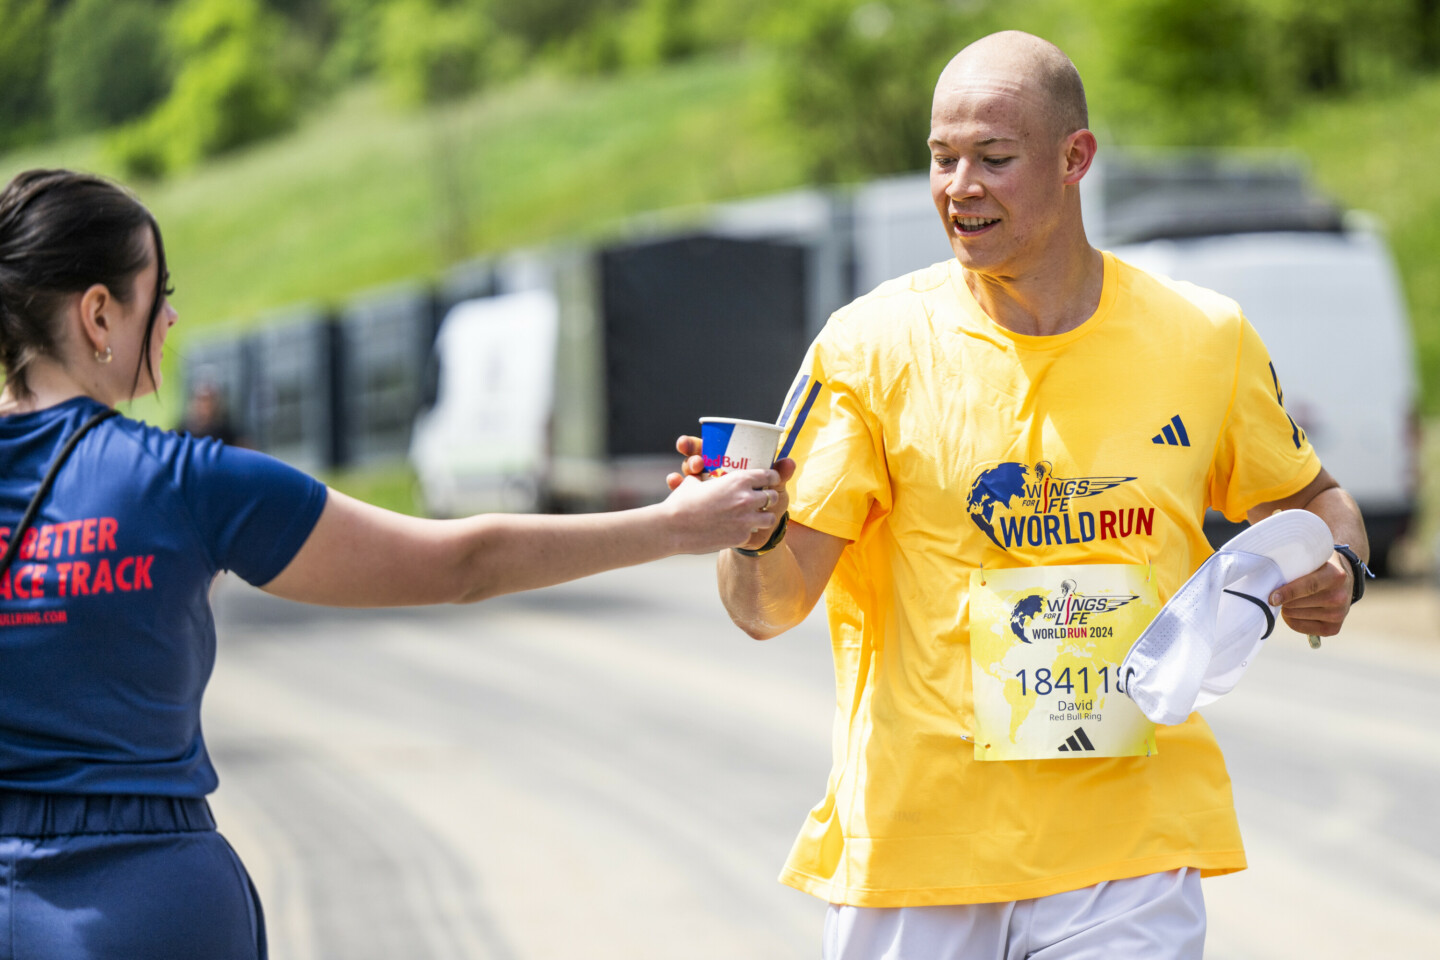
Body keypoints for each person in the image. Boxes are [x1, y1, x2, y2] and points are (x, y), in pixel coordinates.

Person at [671, 30, 1369, 960]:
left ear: (1075, 158)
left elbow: (1318, 502)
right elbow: (768, 608)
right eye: (942, 158)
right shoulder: (868, 348)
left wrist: (1340, 566)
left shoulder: (1203, 337)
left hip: (1129, 850)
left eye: (993, 158)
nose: (959, 187)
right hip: (922, 853)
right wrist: (748, 534)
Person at [0, 168, 784, 959]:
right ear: (98, 313)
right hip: (148, 904)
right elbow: (462, 563)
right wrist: (675, 527)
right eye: (158, 291)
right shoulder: (183, 480)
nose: (170, 316)